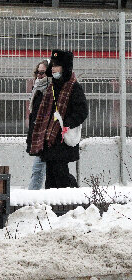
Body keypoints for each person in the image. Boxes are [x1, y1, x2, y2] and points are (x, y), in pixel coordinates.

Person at [29, 50, 88, 189]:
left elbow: (82, 111)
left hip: (62, 139)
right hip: (50, 139)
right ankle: (53, 206)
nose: (53, 68)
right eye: (53, 65)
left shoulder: (73, 87)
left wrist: (66, 124)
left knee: (60, 174)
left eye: (56, 65)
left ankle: (67, 202)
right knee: (50, 177)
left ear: (65, 67)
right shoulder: (51, 86)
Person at [26, 59, 50, 190]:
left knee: (38, 170)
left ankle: (32, 196)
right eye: (37, 72)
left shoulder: (50, 90)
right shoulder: (37, 89)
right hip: (39, 136)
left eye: (42, 73)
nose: (39, 76)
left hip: (46, 137)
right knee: (41, 170)